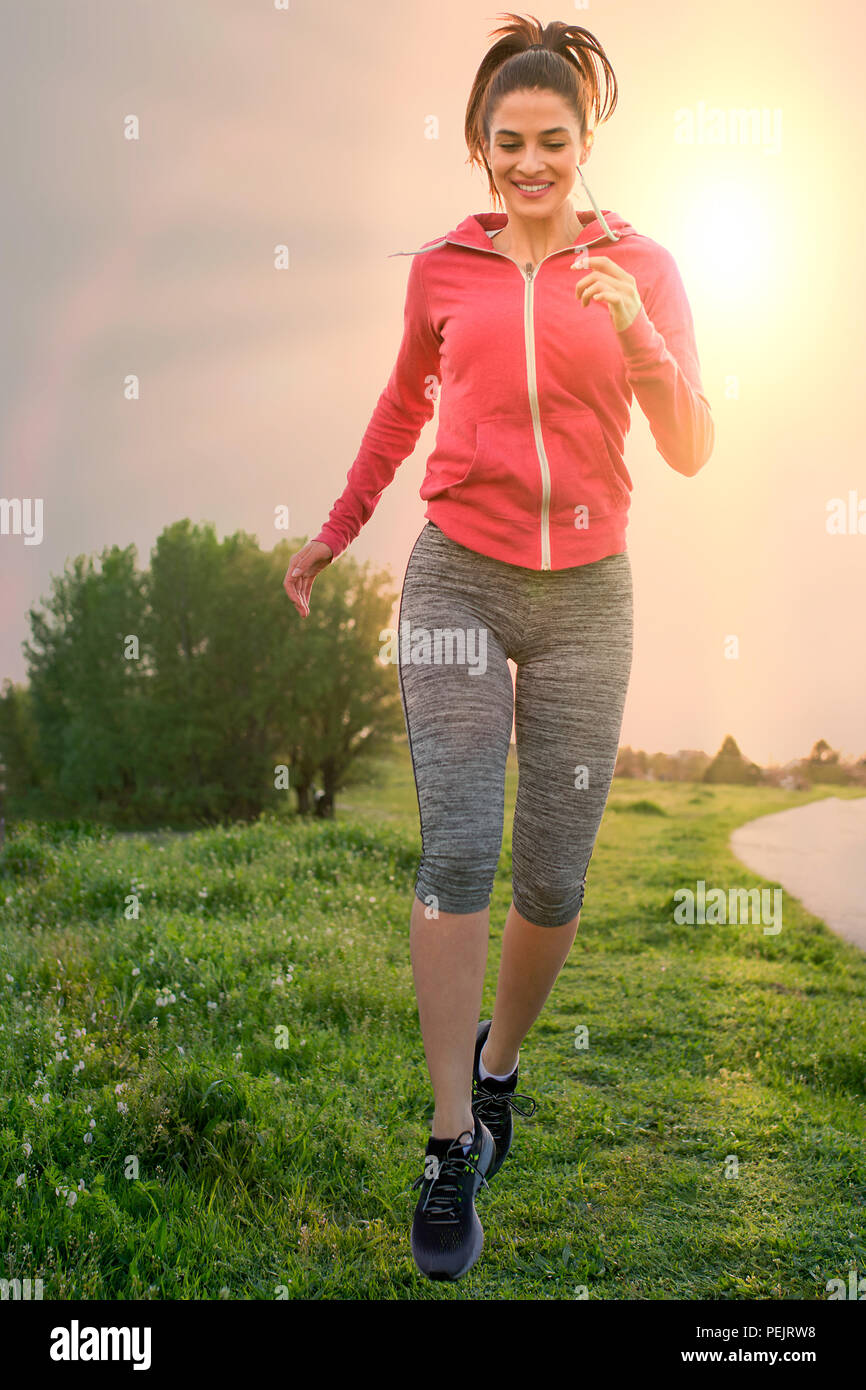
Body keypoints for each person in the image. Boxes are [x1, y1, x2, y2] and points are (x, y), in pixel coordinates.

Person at [284, 14, 714, 1283]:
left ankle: (498, 1069)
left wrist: (637, 332)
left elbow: (691, 445)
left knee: (553, 878)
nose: (531, 163)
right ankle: (445, 1138)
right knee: (460, 844)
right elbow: (397, 409)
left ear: (585, 144)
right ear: (479, 145)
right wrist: (331, 532)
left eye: (553, 142)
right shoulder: (441, 271)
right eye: (509, 142)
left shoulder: (642, 267)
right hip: (456, 579)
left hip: (588, 595)